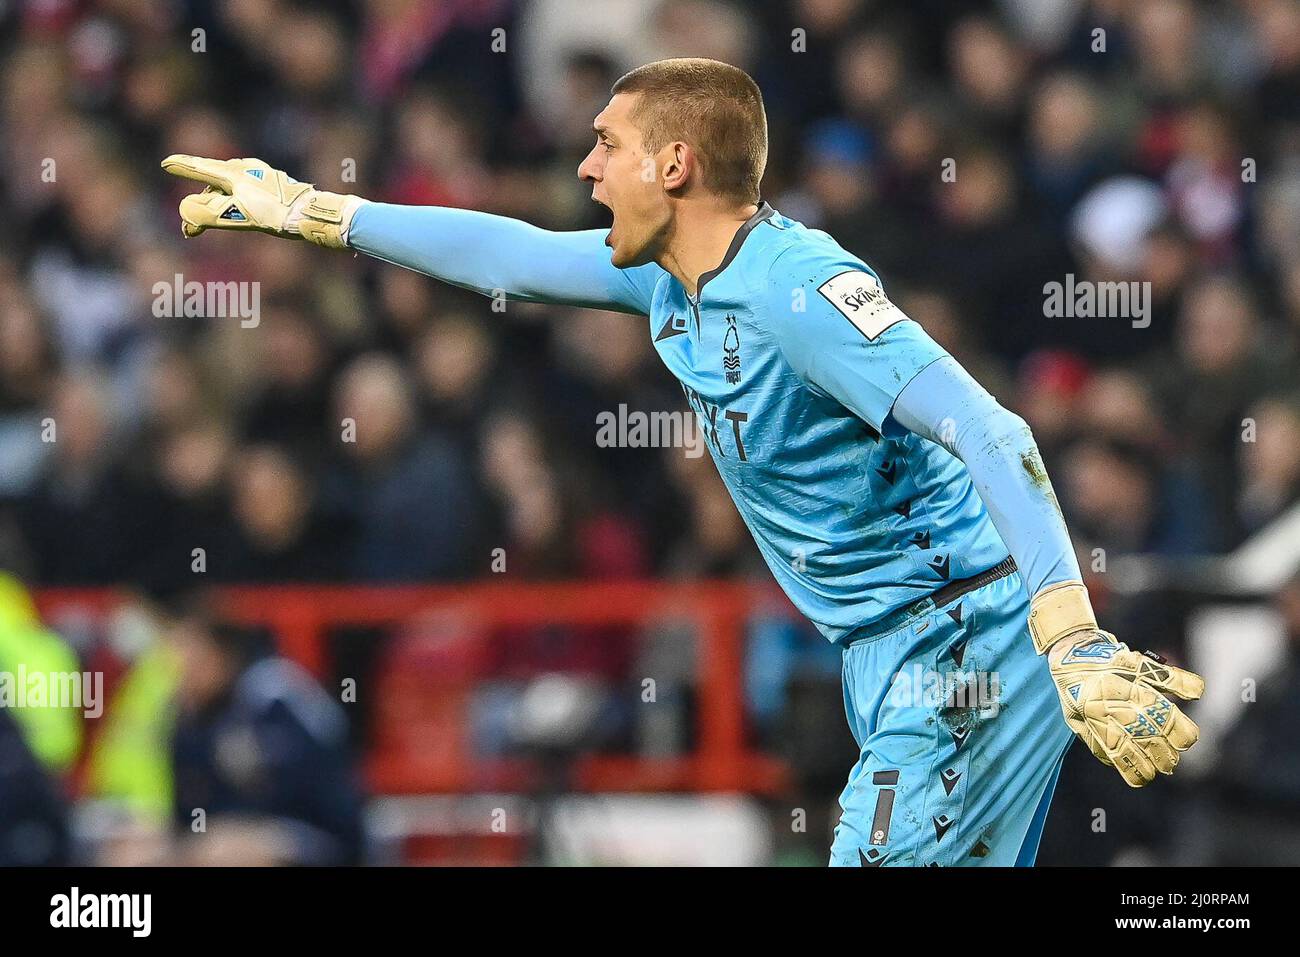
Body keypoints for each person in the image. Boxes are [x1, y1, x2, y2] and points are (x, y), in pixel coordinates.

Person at [160, 57, 1204, 867]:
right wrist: (314, 212)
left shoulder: (800, 291)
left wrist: (1066, 631)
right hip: (885, 653)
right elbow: (508, 252)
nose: (584, 168)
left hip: (959, 642)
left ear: (673, 166)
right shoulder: (667, 284)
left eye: (604, 145)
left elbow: (995, 431)